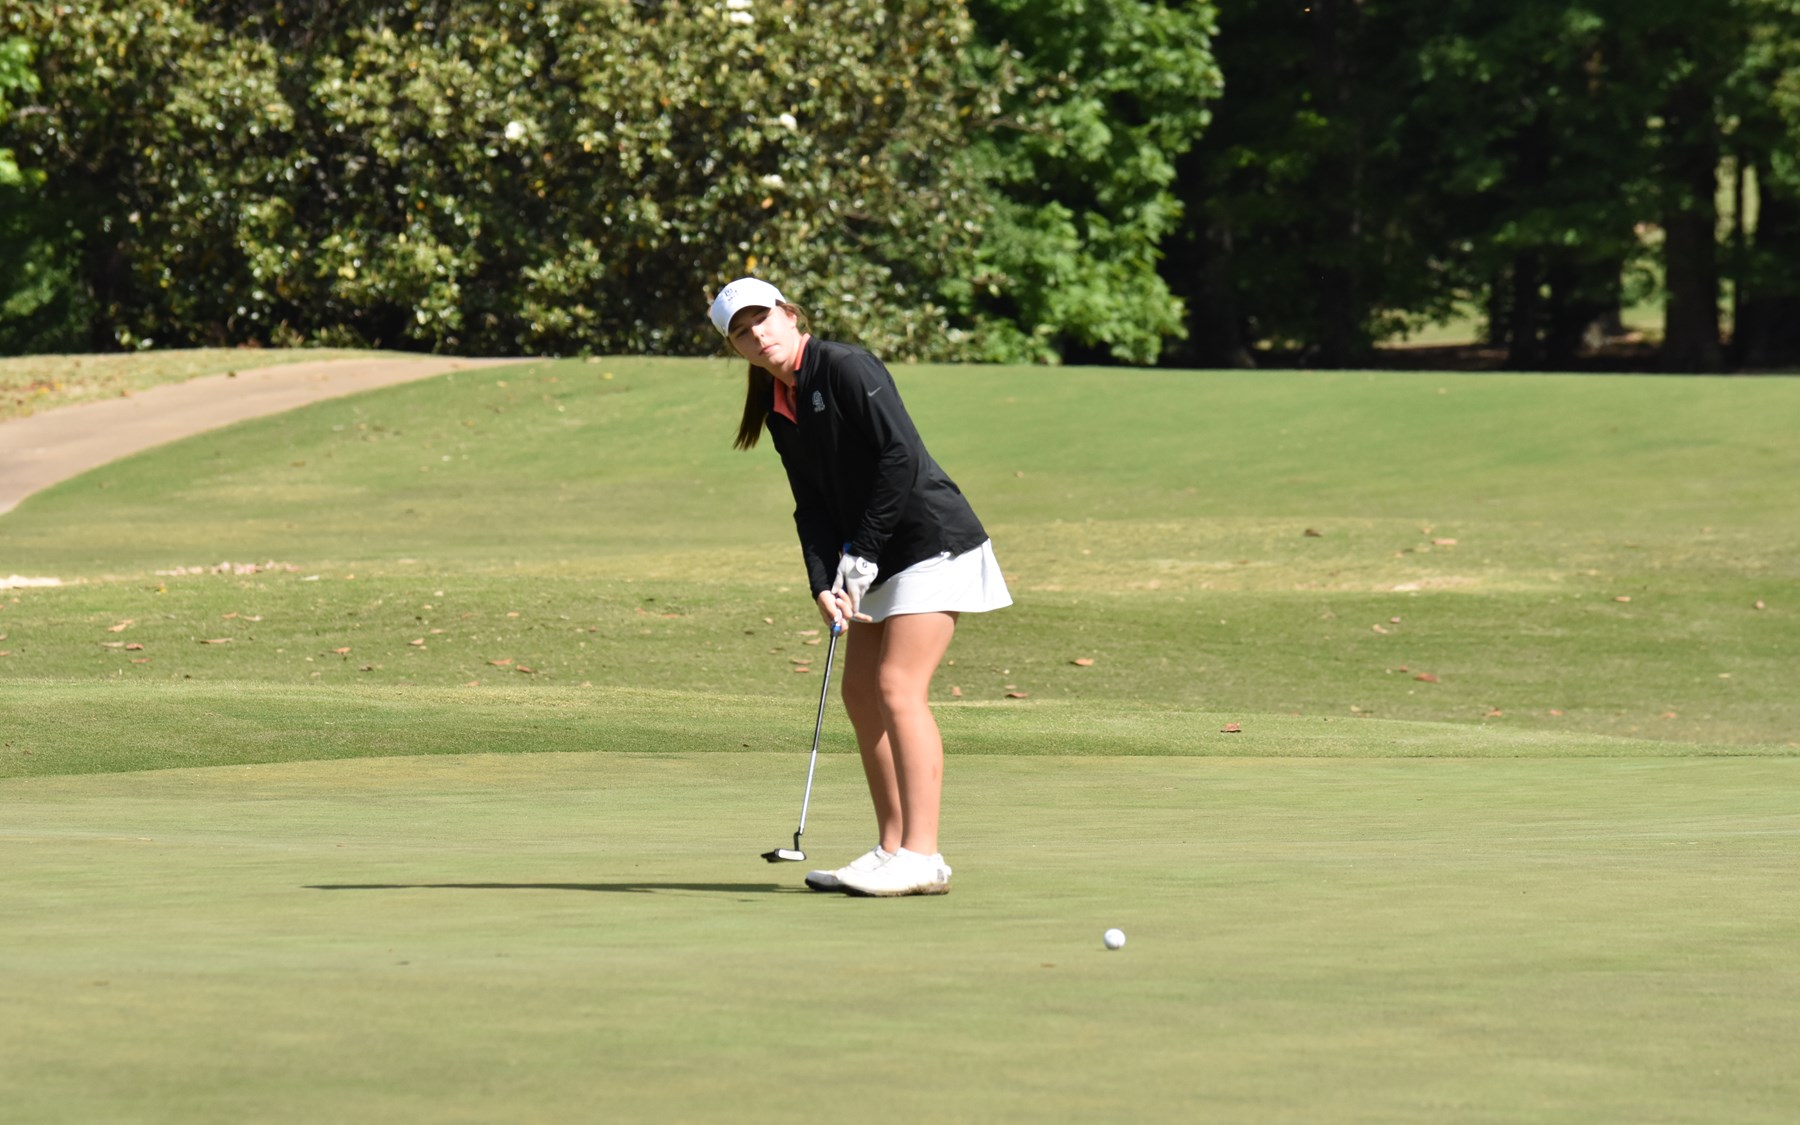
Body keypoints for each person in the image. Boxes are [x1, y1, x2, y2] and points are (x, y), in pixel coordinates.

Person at [710, 277, 1012, 897]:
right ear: (734, 348)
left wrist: (865, 550)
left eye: (763, 319)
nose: (757, 335)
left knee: (898, 687)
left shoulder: (845, 366)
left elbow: (899, 455)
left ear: (790, 314)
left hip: (931, 542)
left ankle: (923, 856)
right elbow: (811, 505)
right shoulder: (778, 407)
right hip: (871, 557)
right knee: (859, 693)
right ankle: (892, 847)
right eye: (741, 331)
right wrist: (823, 583)